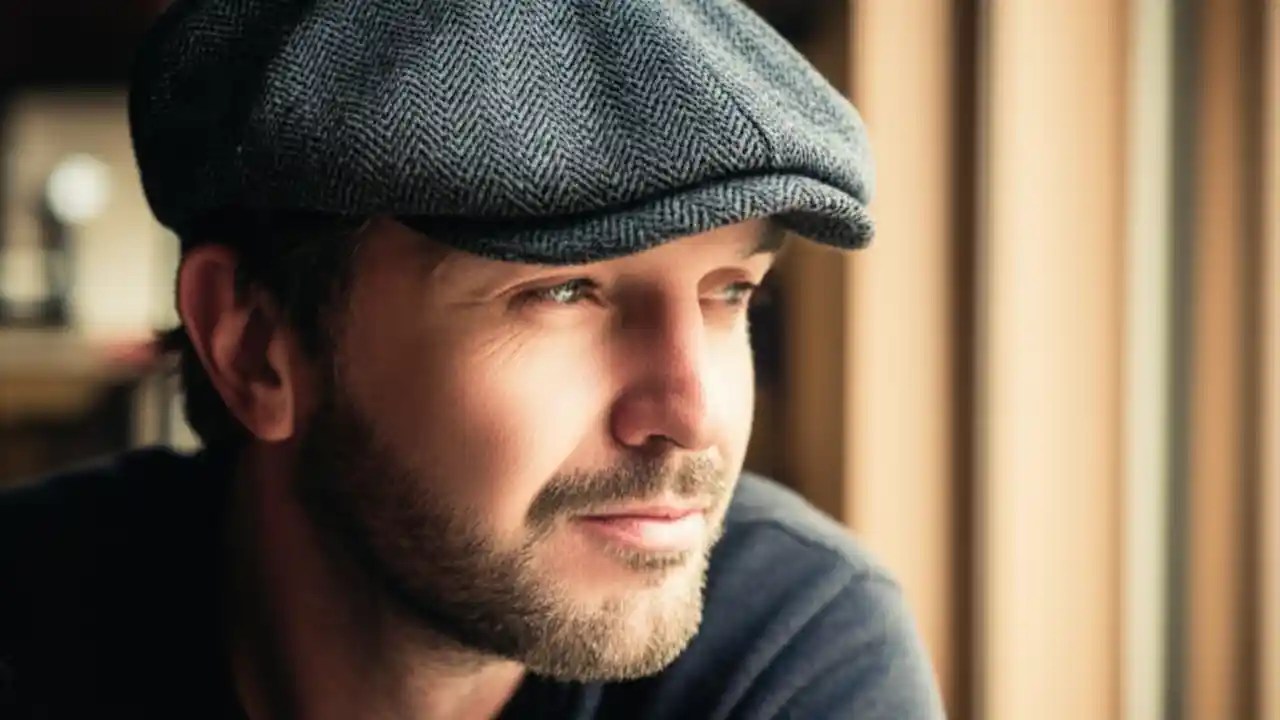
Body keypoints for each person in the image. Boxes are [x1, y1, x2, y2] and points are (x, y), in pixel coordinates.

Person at [0, 1, 943, 717]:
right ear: (255, 347)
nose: (690, 411)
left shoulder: (788, 653)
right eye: (562, 292)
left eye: (730, 291)